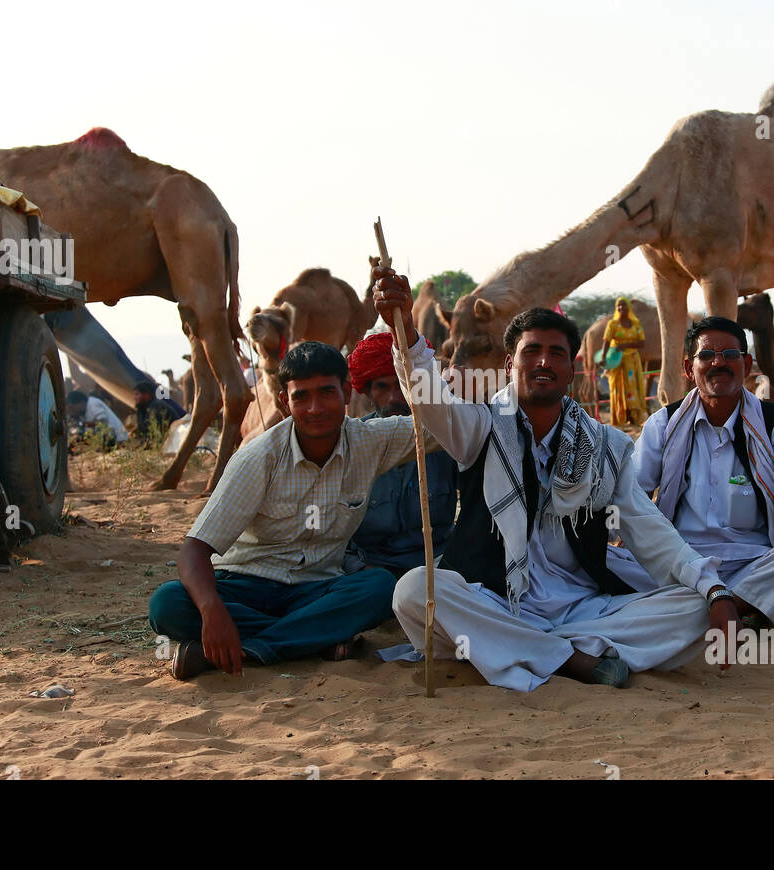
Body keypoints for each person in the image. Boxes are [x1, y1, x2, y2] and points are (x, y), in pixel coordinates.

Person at [373, 265, 735, 693]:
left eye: (556, 353)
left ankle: (534, 649)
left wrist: (714, 591)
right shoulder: (480, 428)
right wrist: (407, 335)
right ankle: (572, 660)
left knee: (693, 608)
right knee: (414, 592)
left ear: (571, 367)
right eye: (532, 351)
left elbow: (649, 529)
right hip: (496, 601)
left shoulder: (606, 446)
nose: (543, 361)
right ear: (510, 363)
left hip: (583, 607)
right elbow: (430, 399)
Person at [147, 341, 427, 680]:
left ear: (347, 394)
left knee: (380, 588)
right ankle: (311, 639)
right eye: (301, 397)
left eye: (326, 393)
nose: (315, 408)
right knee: (167, 604)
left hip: (315, 590)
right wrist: (211, 611)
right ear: (285, 401)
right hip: (244, 584)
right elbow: (194, 550)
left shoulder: (371, 440)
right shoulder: (258, 458)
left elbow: (447, 424)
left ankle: (253, 649)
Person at [632, 316, 774, 626]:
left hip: (753, 562)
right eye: (706, 355)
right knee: (605, 562)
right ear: (689, 368)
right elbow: (634, 495)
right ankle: (739, 609)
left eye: (730, 355)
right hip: (682, 562)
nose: (719, 363)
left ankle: (718, 609)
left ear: (747, 364)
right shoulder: (664, 424)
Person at [343, 332, 458, 574]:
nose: (395, 398)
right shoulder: (350, 445)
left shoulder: (446, 438)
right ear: (367, 391)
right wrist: (360, 568)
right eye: (382, 387)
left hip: (439, 565)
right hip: (373, 572)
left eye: (402, 384)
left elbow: (477, 512)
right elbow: (333, 538)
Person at [597, 297, 648, 427]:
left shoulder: (636, 324)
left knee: (633, 388)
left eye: (624, 305)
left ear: (629, 308)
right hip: (616, 360)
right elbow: (606, 341)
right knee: (618, 388)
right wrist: (603, 357)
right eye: (618, 306)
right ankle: (620, 418)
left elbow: (641, 342)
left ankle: (635, 418)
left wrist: (625, 346)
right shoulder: (612, 324)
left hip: (632, 360)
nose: (621, 308)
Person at [132, 381, 186, 446]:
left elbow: (155, 433)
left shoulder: (157, 406)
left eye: (137, 394)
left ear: (146, 395)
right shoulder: (141, 409)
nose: (134, 398)